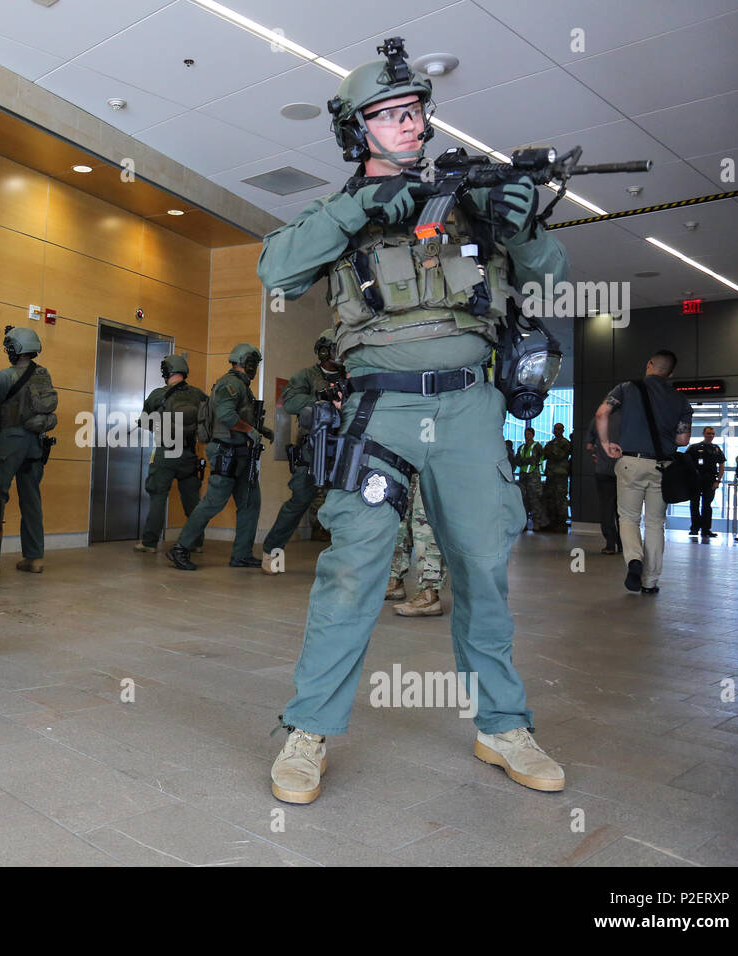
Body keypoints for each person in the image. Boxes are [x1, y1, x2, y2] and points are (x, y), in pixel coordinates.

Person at [257, 39, 568, 804]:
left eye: (413, 110)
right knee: (352, 570)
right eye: (387, 113)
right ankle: (309, 732)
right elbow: (276, 270)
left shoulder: (472, 201)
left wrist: (523, 227)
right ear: (355, 130)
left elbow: (553, 278)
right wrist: (359, 207)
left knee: (483, 569)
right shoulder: (338, 212)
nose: (406, 122)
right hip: (379, 406)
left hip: (469, 403)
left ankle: (502, 725)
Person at [595, 349, 693, 595]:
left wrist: (606, 443)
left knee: (628, 518)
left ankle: (634, 560)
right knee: (655, 523)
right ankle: (650, 581)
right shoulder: (681, 400)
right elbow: (683, 440)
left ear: (649, 364)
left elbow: (602, 413)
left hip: (630, 462)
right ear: (671, 373)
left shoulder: (627, 388)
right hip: (663, 467)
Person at [166, 344, 271, 571]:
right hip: (227, 451)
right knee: (213, 502)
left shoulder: (241, 385)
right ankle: (180, 548)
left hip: (240, 452)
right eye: (254, 363)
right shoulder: (231, 384)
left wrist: (260, 431)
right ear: (246, 362)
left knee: (251, 502)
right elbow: (226, 416)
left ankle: (241, 554)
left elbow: (240, 416)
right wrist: (250, 431)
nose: (255, 368)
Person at [261, 329, 344, 573]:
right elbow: (290, 402)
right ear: (323, 351)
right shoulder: (306, 376)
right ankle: (271, 551)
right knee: (299, 501)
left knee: (343, 503)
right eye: (335, 348)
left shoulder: (350, 375)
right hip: (313, 449)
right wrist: (320, 399)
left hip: (343, 447)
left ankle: (344, 561)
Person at [0, 326, 58, 575]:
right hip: (35, 443)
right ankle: (35, 558)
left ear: (15, 350)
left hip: (8, 442)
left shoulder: (5, 377)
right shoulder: (43, 376)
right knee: (31, 499)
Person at [134, 354, 207, 554]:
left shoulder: (158, 394)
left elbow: (144, 421)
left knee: (158, 496)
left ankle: (149, 543)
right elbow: (207, 420)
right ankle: (197, 542)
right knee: (192, 500)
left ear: (167, 372)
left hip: (166, 452)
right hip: (190, 454)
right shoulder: (198, 395)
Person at [386, 473, 446, 616]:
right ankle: (394, 581)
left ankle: (429, 595)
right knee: (401, 514)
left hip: (438, 458)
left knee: (425, 520)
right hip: (412, 457)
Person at [584, 414, 621, 553]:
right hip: (624, 471)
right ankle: (624, 544)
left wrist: (600, 452)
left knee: (607, 508)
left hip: (604, 471)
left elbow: (589, 446)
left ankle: (610, 544)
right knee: (624, 510)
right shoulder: (627, 418)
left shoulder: (597, 420)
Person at [685, 427, 726, 537]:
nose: (710, 435)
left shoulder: (716, 449)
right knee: (694, 504)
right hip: (695, 480)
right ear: (703, 434)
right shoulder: (694, 447)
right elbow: (685, 463)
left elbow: (722, 466)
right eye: (708, 433)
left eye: (712, 433)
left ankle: (706, 530)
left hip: (710, 480)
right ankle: (694, 528)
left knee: (707, 505)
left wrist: (718, 481)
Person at [514, 427, 547, 532]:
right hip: (523, 476)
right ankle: (524, 523)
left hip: (533, 476)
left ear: (533, 435)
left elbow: (536, 459)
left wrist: (525, 460)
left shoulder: (537, 446)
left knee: (535, 499)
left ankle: (537, 522)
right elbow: (517, 460)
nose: (526, 436)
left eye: (528, 434)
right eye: (525, 434)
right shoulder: (522, 447)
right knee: (523, 500)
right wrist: (526, 460)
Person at [541, 422, 571, 531]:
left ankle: (562, 524)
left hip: (560, 476)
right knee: (550, 499)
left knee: (560, 499)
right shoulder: (550, 443)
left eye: (559, 429)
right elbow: (544, 455)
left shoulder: (566, 443)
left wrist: (551, 451)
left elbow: (560, 456)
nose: (556, 431)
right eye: (555, 429)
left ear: (562, 430)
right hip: (550, 475)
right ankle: (552, 522)